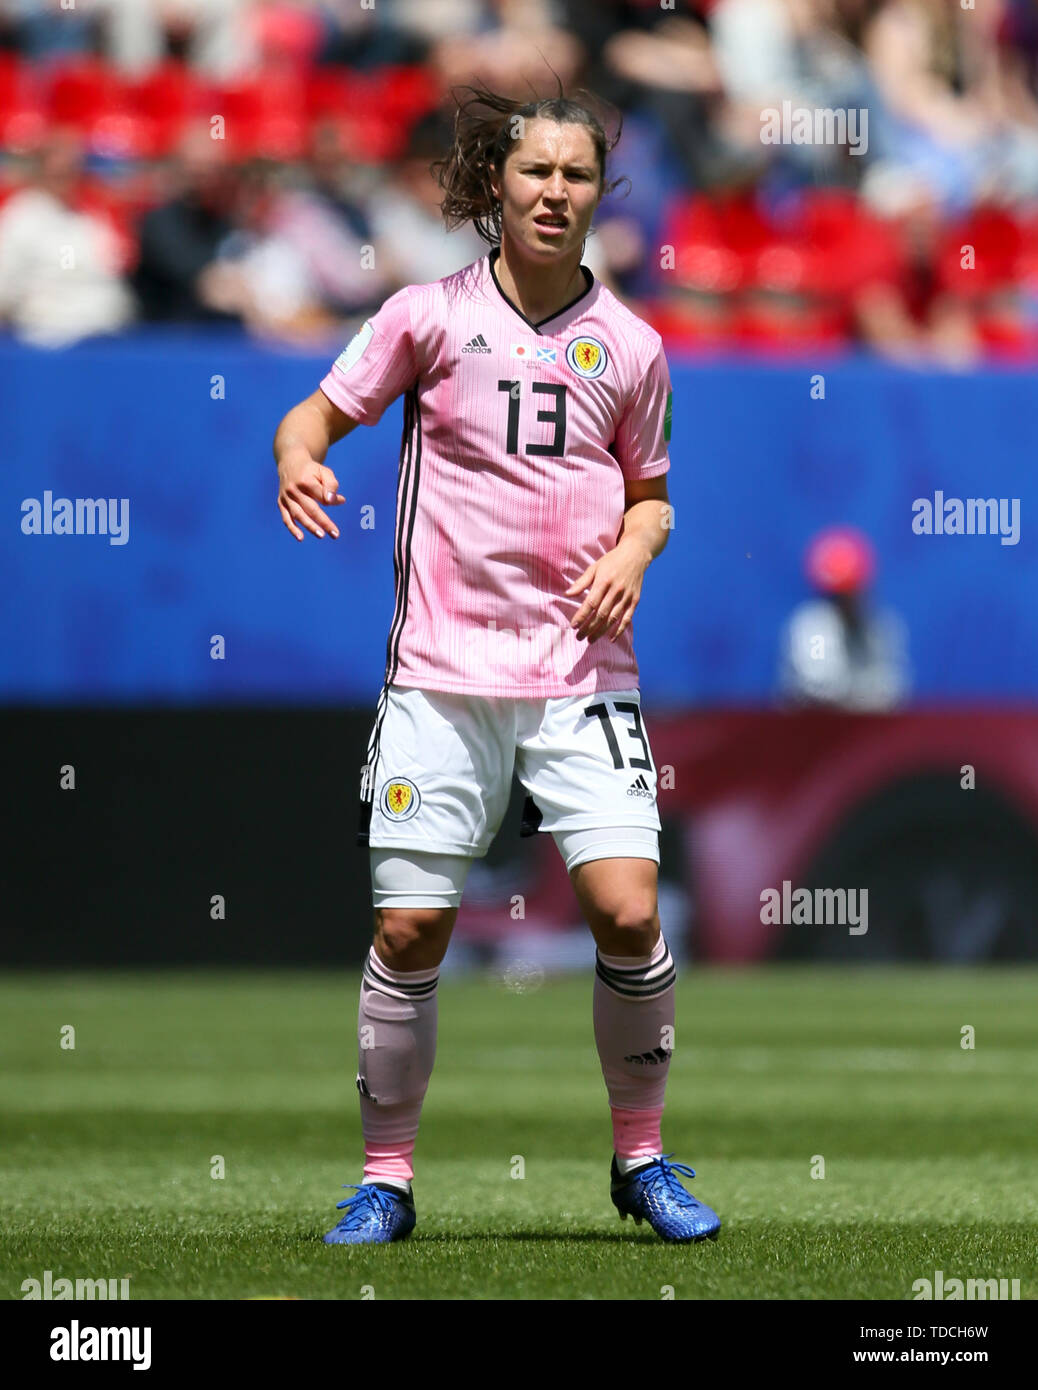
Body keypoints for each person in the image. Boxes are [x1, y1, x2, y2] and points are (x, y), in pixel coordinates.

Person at [272, 81, 720, 1247]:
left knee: (626, 912)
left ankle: (643, 1159)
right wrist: (298, 462)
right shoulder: (425, 316)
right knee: (411, 933)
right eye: (535, 172)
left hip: (582, 672)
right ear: (495, 188)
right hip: (440, 671)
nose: (556, 192)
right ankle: (386, 1179)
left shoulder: (633, 343)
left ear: (597, 194)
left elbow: (654, 499)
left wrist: (632, 548)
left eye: (577, 175)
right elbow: (310, 417)